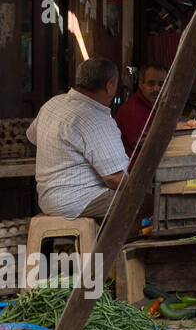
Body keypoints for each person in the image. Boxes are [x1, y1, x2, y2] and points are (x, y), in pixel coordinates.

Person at [26, 57, 130, 220]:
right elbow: (114, 178)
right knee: (147, 203)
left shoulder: (52, 104)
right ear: (109, 86)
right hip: (78, 201)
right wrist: (143, 186)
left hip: (48, 199)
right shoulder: (96, 119)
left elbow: (33, 137)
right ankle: (114, 246)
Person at [115, 62, 167, 158]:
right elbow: (148, 146)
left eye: (161, 84)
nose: (156, 89)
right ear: (140, 84)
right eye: (151, 83)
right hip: (136, 169)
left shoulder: (158, 104)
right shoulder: (131, 110)